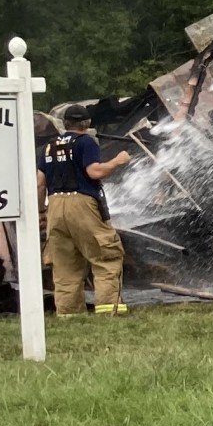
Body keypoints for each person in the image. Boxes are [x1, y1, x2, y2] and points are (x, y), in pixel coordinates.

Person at [38, 104, 132, 316]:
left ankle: (69, 314)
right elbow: (94, 171)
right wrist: (118, 161)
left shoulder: (49, 146)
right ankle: (110, 310)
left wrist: (40, 212)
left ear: (66, 123)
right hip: (81, 204)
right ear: (87, 123)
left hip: (54, 204)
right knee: (106, 256)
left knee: (64, 265)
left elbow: (39, 183)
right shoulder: (86, 142)